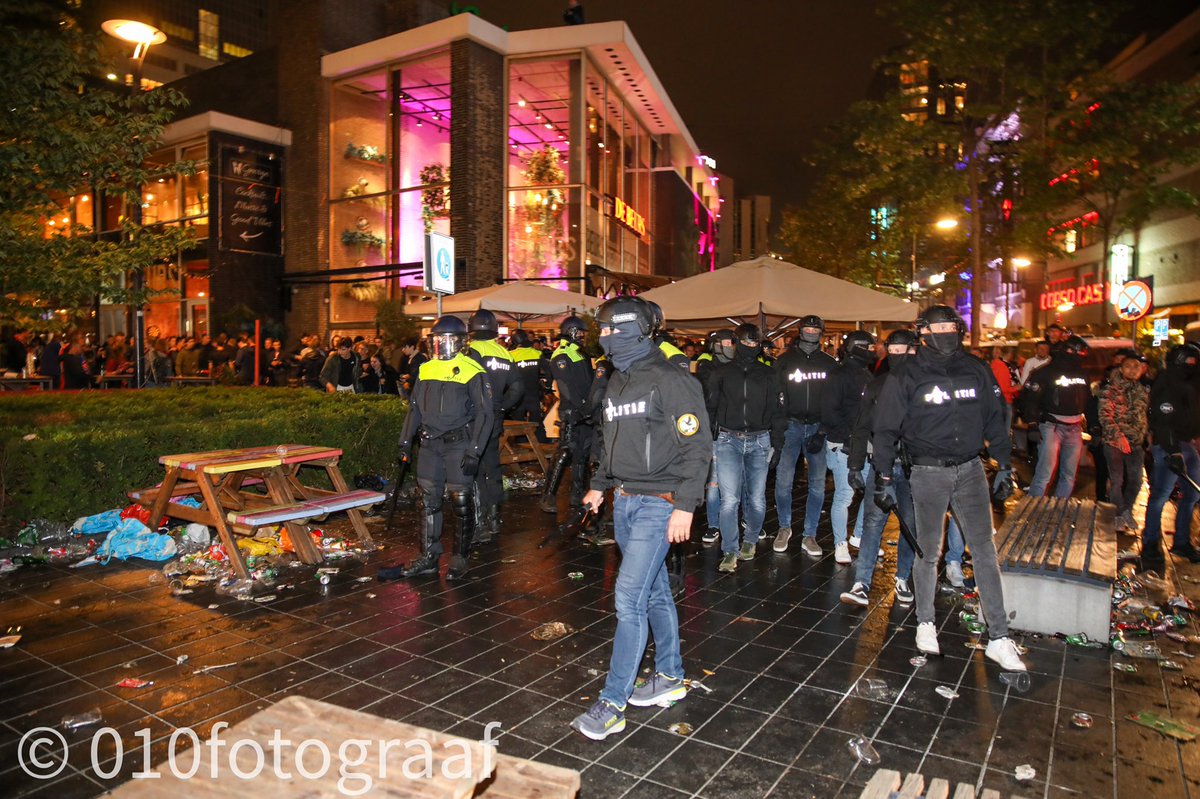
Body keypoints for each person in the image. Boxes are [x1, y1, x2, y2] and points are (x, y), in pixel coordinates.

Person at [571, 295, 710, 741]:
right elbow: (611, 440)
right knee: (652, 596)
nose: (606, 337)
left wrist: (685, 505)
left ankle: (613, 702)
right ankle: (669, 675)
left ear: (636, 329)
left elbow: (697, 446)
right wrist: (600, 483)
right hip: (626, 502)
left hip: (660, 503)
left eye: (614, 329)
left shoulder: (673, 379)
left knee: (628, 599)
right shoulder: (618, 380)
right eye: (603, 330)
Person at [871, 305, 1025, 671]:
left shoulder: (975, 368)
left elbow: (994, 416)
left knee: (985, 550)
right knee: (928, 551)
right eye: (937, 327)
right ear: (923, 331)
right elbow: (886, 429)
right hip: (927, 471)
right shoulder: (906, 374)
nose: (945, 333)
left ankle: (999, 637)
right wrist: (883, 476)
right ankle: (925, 622)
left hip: (971, 469)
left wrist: (1004, 464)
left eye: (950, 326)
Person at [379, 316, 494, 580]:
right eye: (436, 340)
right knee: (427, 502)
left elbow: (485, 414)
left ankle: (460, 557)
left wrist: (475, 450)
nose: (441, 345)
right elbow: (415, 408)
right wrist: (405, 441)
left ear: (459, 342)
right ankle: (429, 558)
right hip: (430, 444)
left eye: (446, 340)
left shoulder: (472, 370)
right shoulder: (427, 368)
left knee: (460, 501)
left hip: (459, 444)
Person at [841, 329, 919, 607]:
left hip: (915, 469)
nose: (898, 354)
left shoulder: (924, 385)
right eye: (893, 349)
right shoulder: (878, 384)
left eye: (903, 349)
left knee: (911, 525)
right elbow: (862, 425)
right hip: (883, 464)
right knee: (873, 524)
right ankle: (862, 582)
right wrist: (854, 465)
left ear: (914, 349)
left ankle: (903, 577)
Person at [705, 323, 785, 572]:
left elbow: (779, 411)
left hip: (760, 439)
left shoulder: (770, 374)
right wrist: (710, 438)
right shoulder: (721, 373)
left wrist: (778, 444)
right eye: (746, 343)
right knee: (729, 500)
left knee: (757, 499)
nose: (751, 347)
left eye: (755, 344)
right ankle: (730, 550)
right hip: (728, 439)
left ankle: (749, 540)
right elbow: (711, 407)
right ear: (736, 344)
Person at [772, 314, 836, 555]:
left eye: (815, 328)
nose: (811, 332)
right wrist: (778, 431)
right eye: (807, 328)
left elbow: (834, 401)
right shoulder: (784, 361)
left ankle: (810, 535)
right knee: (783, 482)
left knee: (818, 485)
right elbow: (775, 397)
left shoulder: (830, 364)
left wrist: (824, 429)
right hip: (791, 426)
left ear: (821, 333)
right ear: (800, 331)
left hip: (818, 427)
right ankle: (784, 527)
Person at [465, 309, 524, 541]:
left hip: (473, 418)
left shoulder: (470, 352)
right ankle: (494, 518)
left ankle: (479, 525)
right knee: (492, 466)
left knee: (474, 469)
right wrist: (500, 406)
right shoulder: (504, 353)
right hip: (494, 417)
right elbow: (518, 387)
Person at [821, 330, 878, 564]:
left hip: (863, 444)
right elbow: (829, 411)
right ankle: (840, 542)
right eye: (870, 348)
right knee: (845, 495)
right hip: (843, 444)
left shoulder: (865, 374)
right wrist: (849, 436)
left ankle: (858, 536)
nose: (873, 352)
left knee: (873, 492)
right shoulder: (839, 375)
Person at [1143, 343, 1200, 569]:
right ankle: (1150, 542)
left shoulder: (1188, 383)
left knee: (1192, 495)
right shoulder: (1167, 383)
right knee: (1160, 496)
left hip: (1187, 443)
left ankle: (1182, 541)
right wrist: (1172, 450)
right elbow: (1163, 419)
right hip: (1169, 446)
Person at [539, 316, 595, 526]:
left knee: (583, 453)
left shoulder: (580, 353)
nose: (583, 337)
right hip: (571, 411)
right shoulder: (561, 355)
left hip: (585, 411)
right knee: (565, 451)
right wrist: (583, 406)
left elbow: (589, 382)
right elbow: (565, 387)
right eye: (581, 333)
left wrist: (591, 406)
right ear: (572, 332)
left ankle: (577, 493)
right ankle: (548, 495)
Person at [1020, 336, 1091, 498]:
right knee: (1045, 474)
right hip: (1051, 426)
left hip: (1075, 427)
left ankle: (1059, 510)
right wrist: (1032, 424)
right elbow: (1030, 399)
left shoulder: (1082, 374)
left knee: (1069, 475)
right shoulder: (1045, 372)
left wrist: (1094, 425)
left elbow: (1088, 400)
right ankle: (1032, 511)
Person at [1099, 354, 1149, 533]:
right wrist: (1118, 437)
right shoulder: (1110, 390)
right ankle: (1118, 514)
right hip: (1114, 442)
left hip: (1136, 443)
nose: (1132, 370)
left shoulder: (1141, 390)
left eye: (1136, 367)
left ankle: (1126, 509)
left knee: (1136, 480)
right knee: (1117, 480)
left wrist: (1146, 435)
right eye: (1128, 366)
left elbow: (1143, 416)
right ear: (1121, 368)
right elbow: (1105, 416)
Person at [699, 329, 736, 545]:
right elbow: (708, 398)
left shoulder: (739, 366)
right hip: (714, 431)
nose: (731, 346)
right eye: (726, 342)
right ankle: (713, 525)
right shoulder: (707, 368)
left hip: (735, 431)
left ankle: (734, 522)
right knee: (713, 485)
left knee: (734, 483)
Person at [508, 330, 546, 438]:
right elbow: (548, 370)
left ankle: (520, 443)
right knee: (537, 422)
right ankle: (541, 442)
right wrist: (547, 387)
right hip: (533, 393)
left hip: (517, 395)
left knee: (518, 423)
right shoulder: (536, 353)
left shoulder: (510, 355)